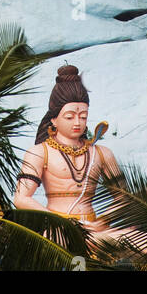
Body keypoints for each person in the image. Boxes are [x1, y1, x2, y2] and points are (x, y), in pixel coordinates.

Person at [13, 64, 122, 237]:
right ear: (54, 119)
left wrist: (101, 222)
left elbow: (124, 198)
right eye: (70, 117)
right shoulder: (39, 152)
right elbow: (21, 198)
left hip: (95, 229)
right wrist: (60, 221)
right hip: (59, 230)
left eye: (83, 116)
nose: (77, 122)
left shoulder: (102, 153)